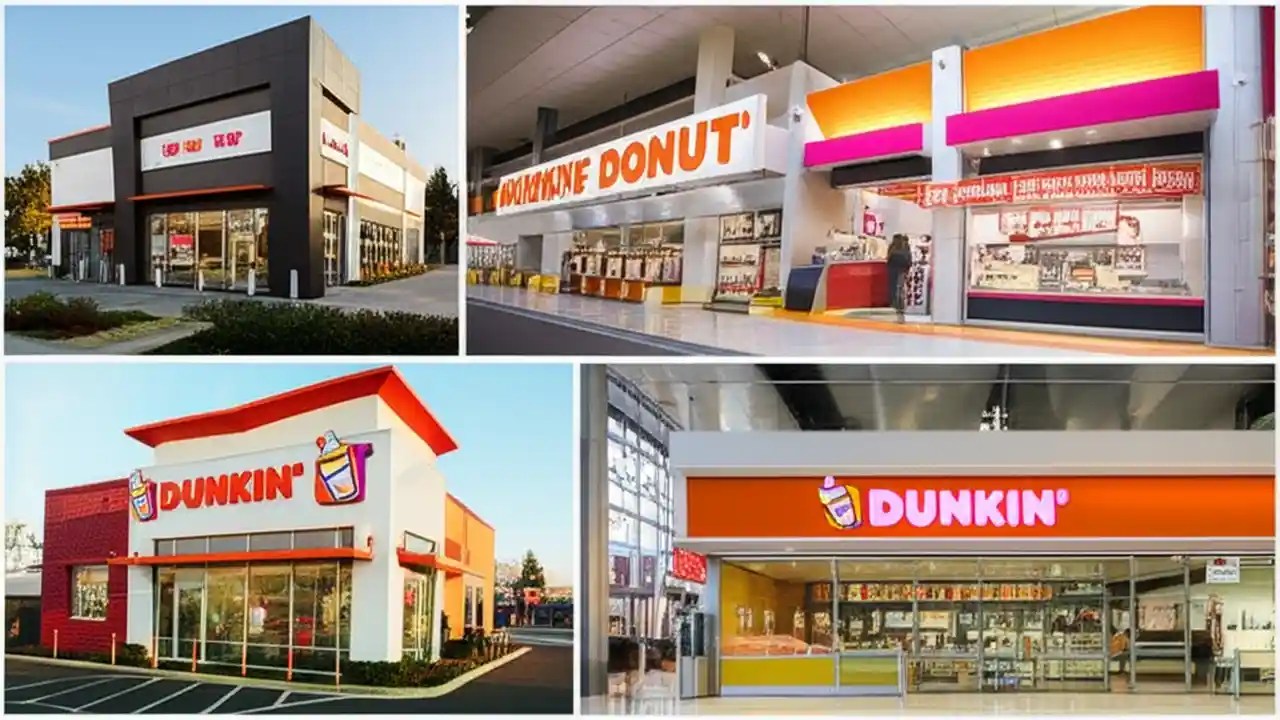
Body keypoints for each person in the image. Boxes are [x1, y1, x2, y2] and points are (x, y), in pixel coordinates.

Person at [885, 234, 914, 323]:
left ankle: (895, 305)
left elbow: (888, 260)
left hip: (893, 271)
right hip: (902, 271)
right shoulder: (905, 248)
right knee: (900, 289)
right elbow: (909, 262)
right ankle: (900, 306)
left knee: (894, 289)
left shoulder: (892, 248)